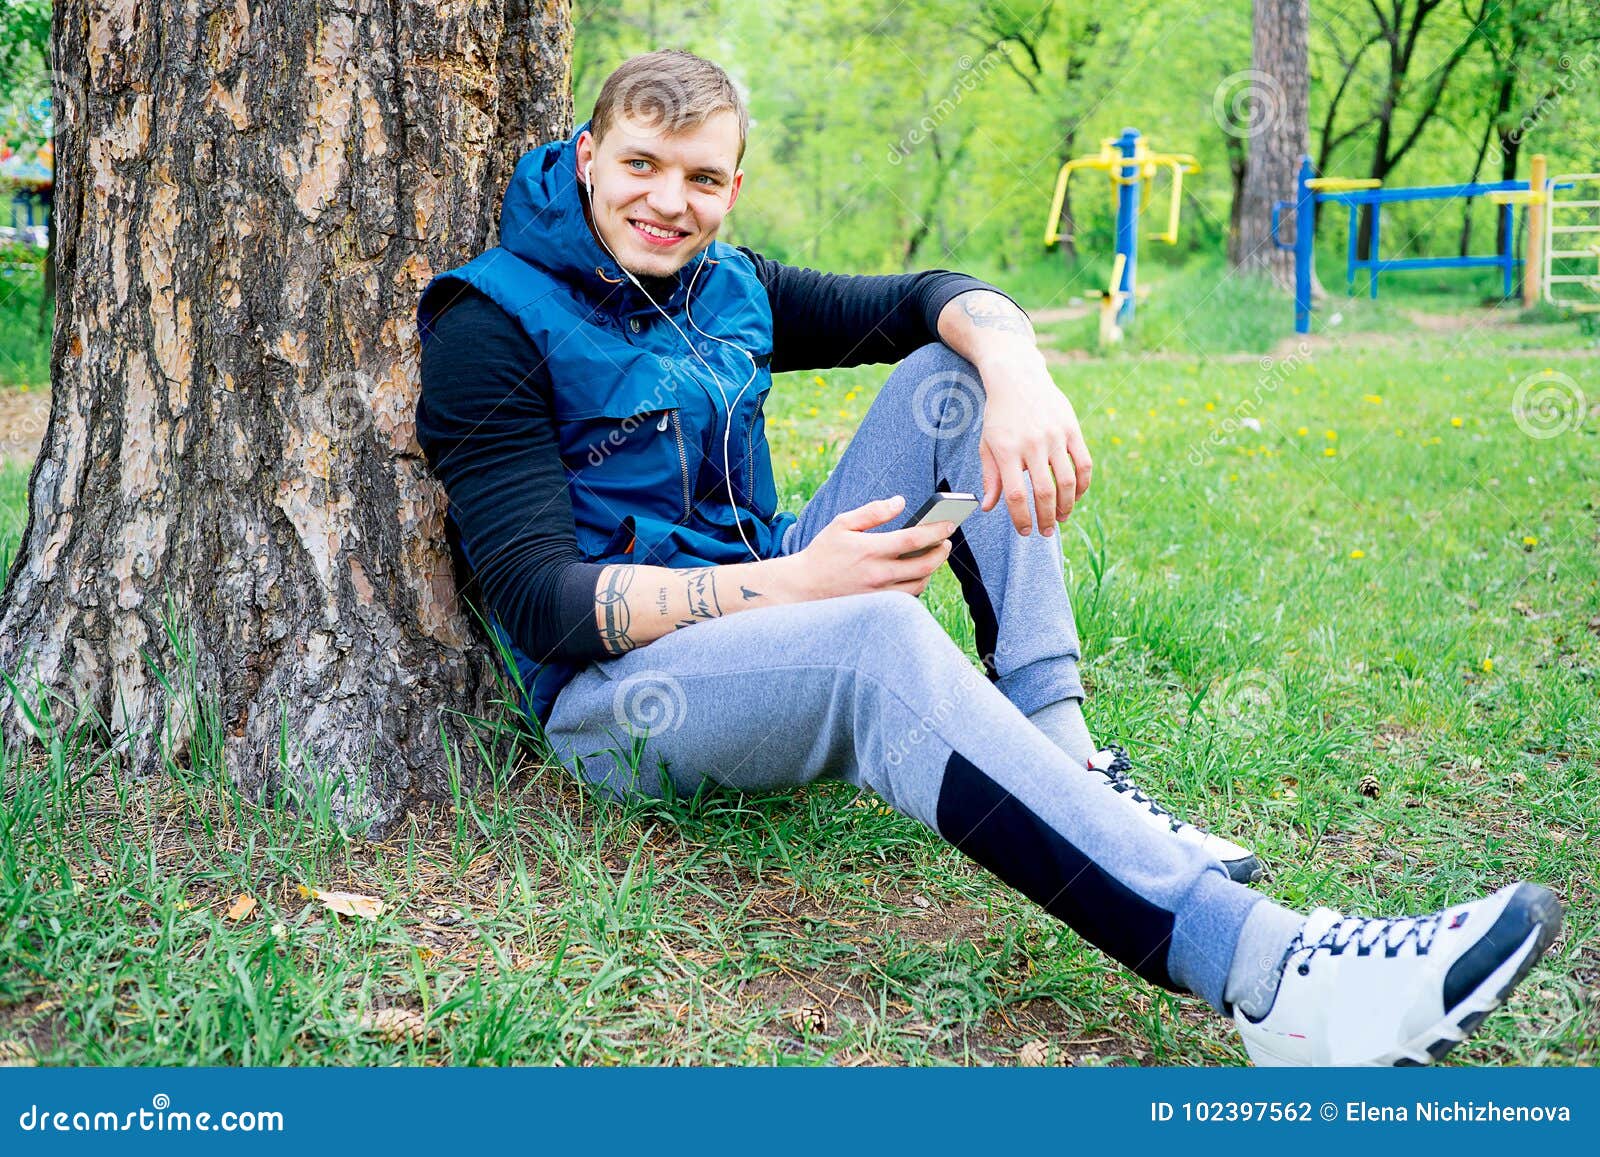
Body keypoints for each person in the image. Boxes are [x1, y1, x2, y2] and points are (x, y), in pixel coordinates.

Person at [414, 50, 1562, 1067]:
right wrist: (788, 587)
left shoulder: (726, 287)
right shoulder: (491, 318)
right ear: (585, 153)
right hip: (625, 701)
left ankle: (1066, 760)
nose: (669, 203)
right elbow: (539, 598)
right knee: (871, 638)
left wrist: (1020, 373)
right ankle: (1282, 981)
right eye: (643, 166)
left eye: (701, 178)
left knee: (953, 380)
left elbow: (930, 297)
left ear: (734, 185)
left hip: (767, 608)